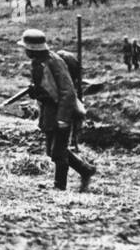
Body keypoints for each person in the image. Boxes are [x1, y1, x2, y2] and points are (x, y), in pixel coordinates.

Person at [20, 29, 95, 191]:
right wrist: (36, 91)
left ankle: (60, 186)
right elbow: (45, 87)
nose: (24, 51)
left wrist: (63, 118)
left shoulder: (54, 62)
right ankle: (86, 170)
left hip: (61, 111)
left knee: (58, 153)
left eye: (26, 48)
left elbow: (67, 91)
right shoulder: (38, 62)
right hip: (48, 111)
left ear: (33, 48)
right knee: (52, 151)